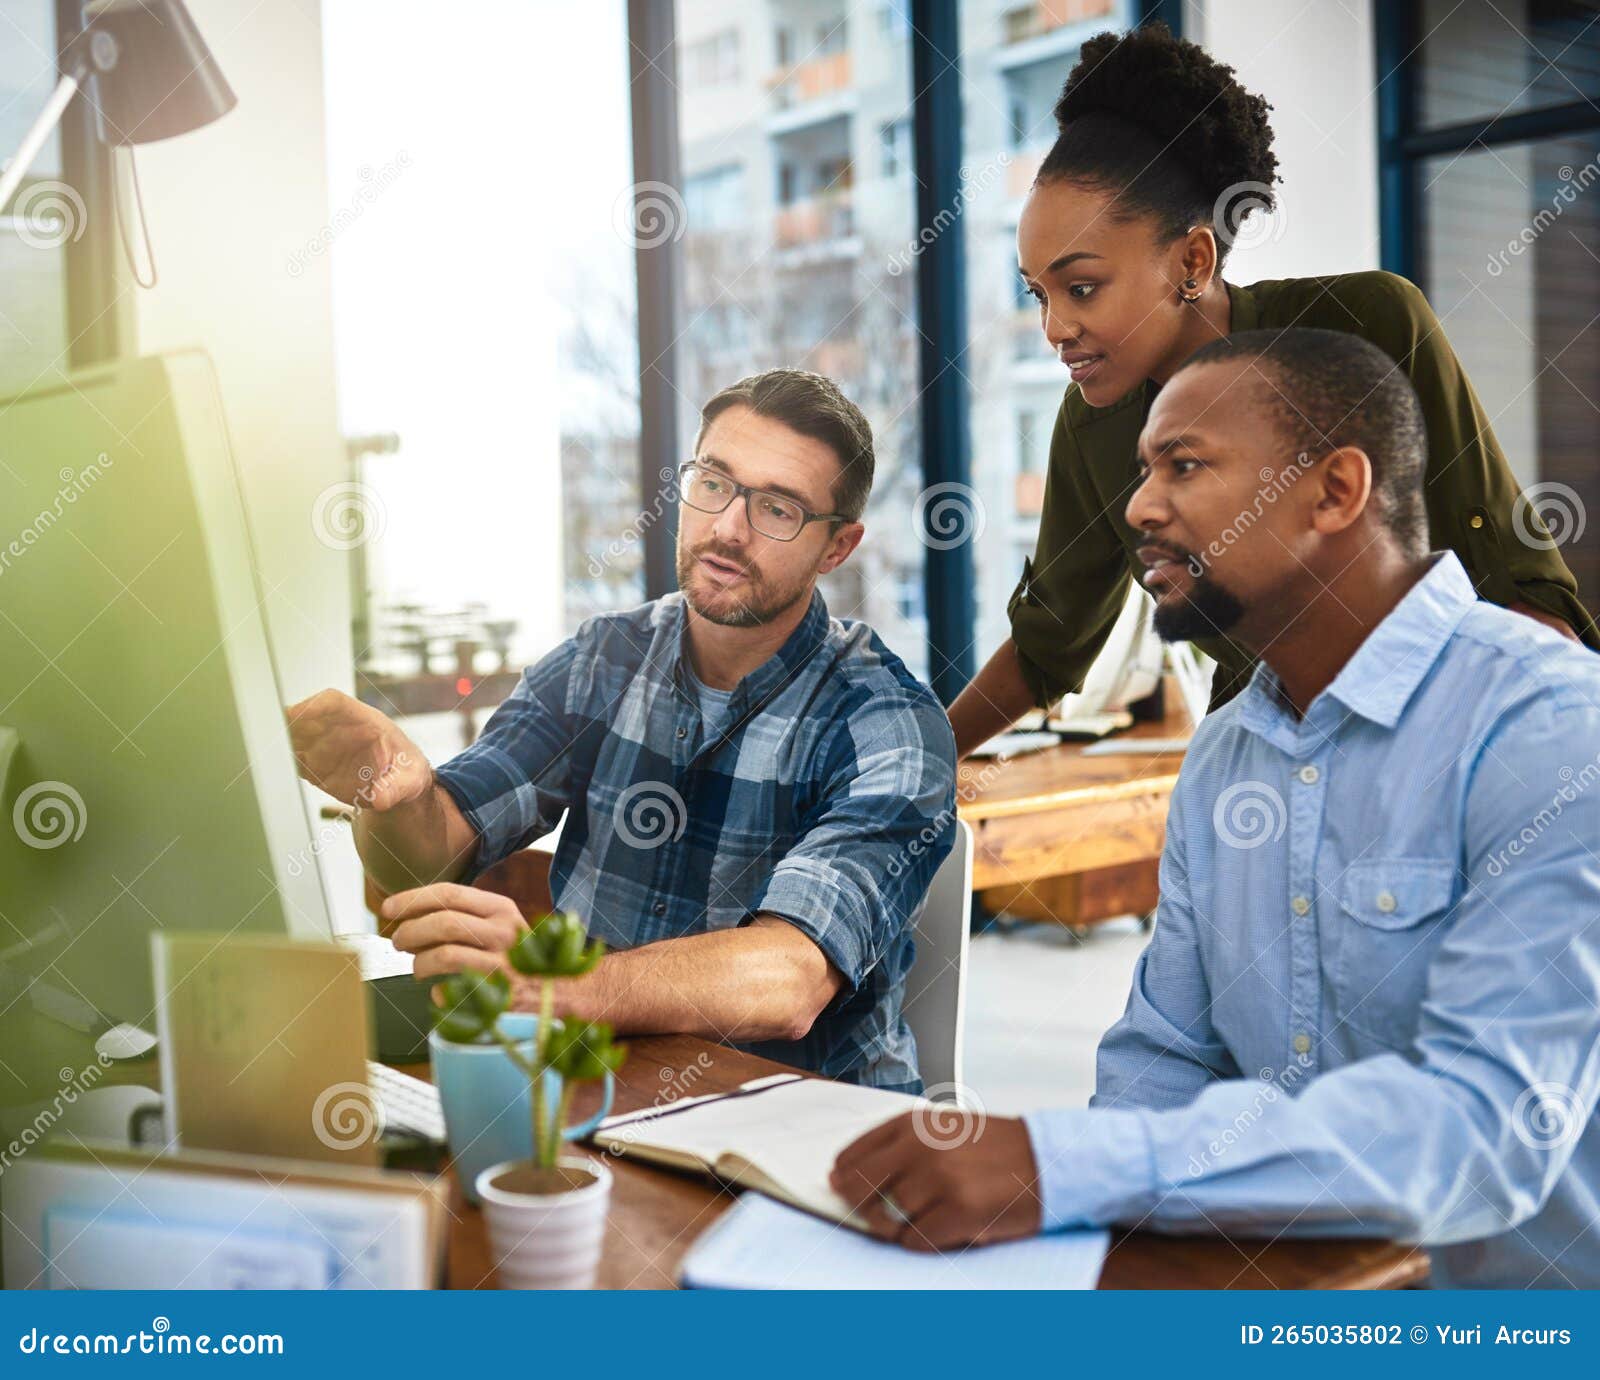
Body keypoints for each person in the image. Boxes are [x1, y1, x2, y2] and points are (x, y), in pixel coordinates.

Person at [832, 329, 1600, 1288]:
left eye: (1183, 467)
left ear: (1335, 492)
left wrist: (1057, 1164)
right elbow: (1162, 1060)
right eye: (1144, 468)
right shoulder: (1226, 755)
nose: (1140, 507)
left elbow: (1486, 1129)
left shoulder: (1555, 728)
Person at [287, 370, 957, 1091]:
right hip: (606, 1092)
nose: (728, 527)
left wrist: (557, 988)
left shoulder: (888, 722)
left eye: (779, 509)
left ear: (837, 547)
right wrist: (398, 799)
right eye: (713, 483)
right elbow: (419, 862)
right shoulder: (603, 659)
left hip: (813, 1136)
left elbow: (792, 977)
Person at [948, 21, 1596, 758]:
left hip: (1455, 730)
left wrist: (1541, 762)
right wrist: (912, 766)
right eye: (1038, 294)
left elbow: (1519, 585)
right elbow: (1048, 645)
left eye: (1083, 287)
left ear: (1193, 259)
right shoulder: (1091, 425)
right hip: (1270, 754)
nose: (1055, 327)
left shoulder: (1369, 323)